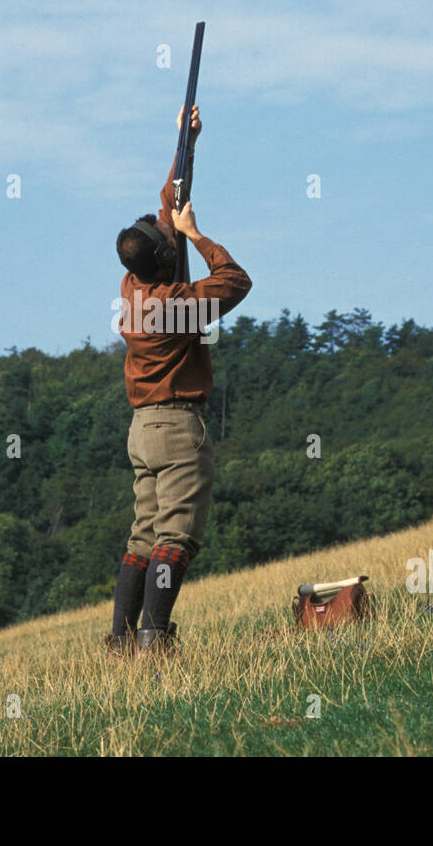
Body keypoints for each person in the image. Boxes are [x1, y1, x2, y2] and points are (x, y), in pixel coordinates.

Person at [108, 103, 252, 656]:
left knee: (142, 538)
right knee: (177, 538)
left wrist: (185, 145)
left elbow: (168, 207)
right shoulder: (178, 307)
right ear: (166, 257)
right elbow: (235, 280)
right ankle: (153, 637)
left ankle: (122, 640)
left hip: (141, 431)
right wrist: (198, 235)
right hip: (176, 428)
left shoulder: (133, 291)